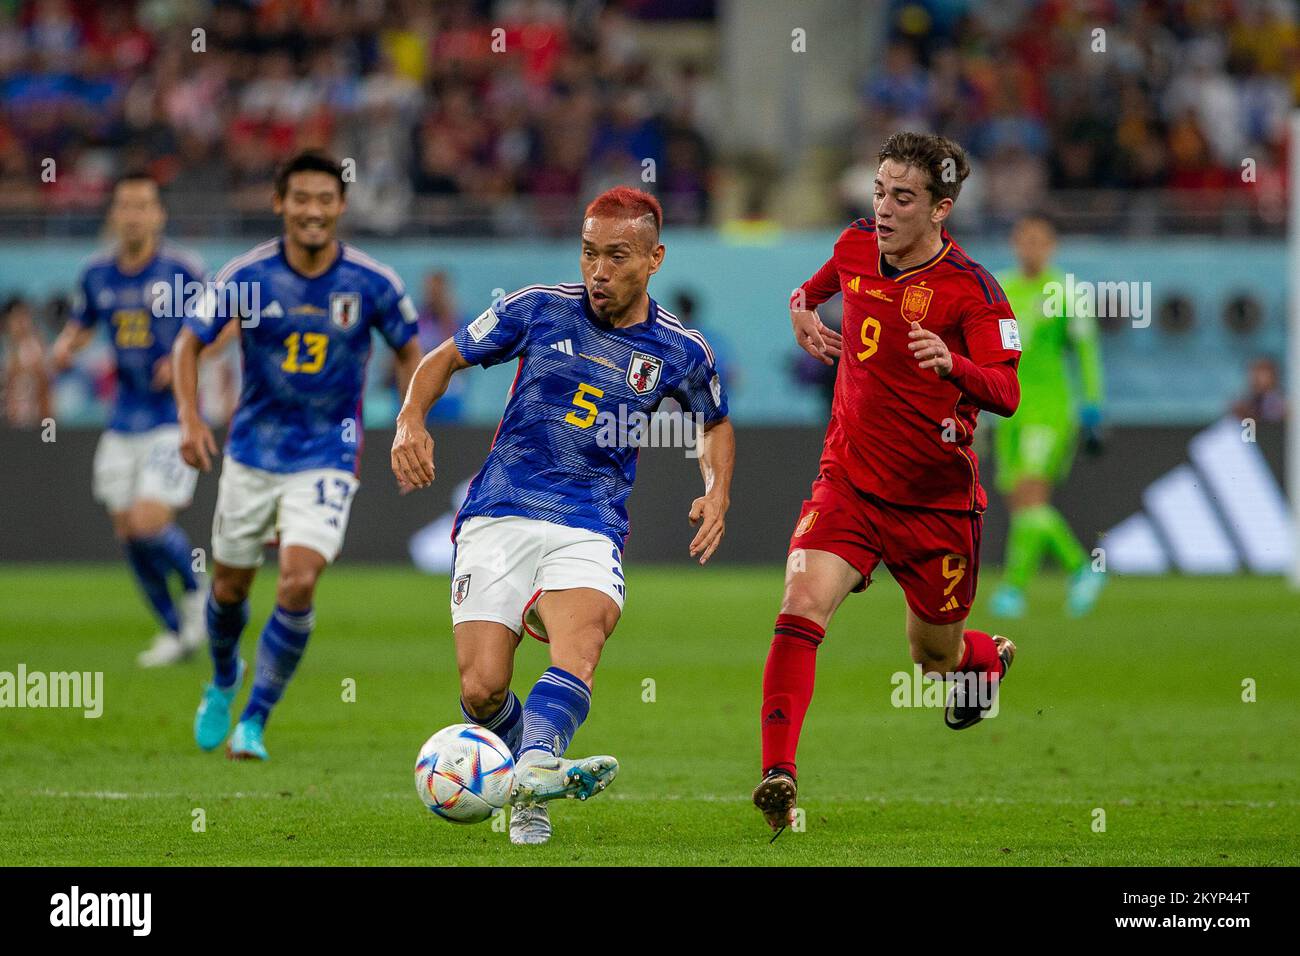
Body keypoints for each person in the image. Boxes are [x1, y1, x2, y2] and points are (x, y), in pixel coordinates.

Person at [391, 186, 734, 846]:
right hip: (499, 512)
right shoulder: (537, 308)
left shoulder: (680, 350)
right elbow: (445, 358)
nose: (598, 270)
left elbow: (714, 423)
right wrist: (410, 420)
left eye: (617, 255)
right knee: (483, 687)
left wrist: (716, 489)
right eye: (588, 253)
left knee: (582, 642)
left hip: (590, 520)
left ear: (654, 258)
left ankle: (535, 776)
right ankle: (530, 762)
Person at [754, 132, 1022, 833]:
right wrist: (802, 313)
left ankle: (982, 658)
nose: (884, 209)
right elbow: (808, 290)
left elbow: (1007, 390)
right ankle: (778, 773)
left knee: (933, 655)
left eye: (902, 198)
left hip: (936, 502)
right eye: (879, 192)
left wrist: (956, 367)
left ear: (941, 209)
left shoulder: (974, 292)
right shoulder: (852, 248)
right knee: (801, 602)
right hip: (848, 481)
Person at [174, 151, 423, 760]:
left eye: (324, 199)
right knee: (230, 586)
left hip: (328, 451)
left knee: (299, 577)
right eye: (301, 198)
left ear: (341, 206)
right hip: (252, 452)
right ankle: (224, 676)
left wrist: (409, 421)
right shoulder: (246, 277)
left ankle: (254, 719)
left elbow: (412, 351)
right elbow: (188, 344)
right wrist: (187, 417)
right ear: (280, 203)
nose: (313, 210)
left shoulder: (373, 283)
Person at [49, 172, 208, 667]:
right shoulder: (97, 274)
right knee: (127, 531)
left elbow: (216, 330)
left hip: (171, 417)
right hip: (122, 419)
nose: (134, 214)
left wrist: (183, 359)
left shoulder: (183, 270)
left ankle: (198, 591)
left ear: (159, 215)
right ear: (114, 214)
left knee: (147, 520)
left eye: (144, 205)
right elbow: (84, 321)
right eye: (126, 205)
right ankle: (174, 631)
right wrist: (66, 345)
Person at [989, 212, 1106, 618]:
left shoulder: (1066, 291)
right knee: (1021, 506)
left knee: (1031, 495)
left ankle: (1013, 589)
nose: (1031, 248)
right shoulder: (1000, 288)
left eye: (1039, 240)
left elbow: (1087, 351)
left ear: (1051, 246)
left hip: (1050, 409)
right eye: (1025, 239)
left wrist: (1092, 404)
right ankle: (1080, 570)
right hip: (1006, 411)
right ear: (1015, 243)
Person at [2, 297, 52, 427]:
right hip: (11, 418)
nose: (21, 324)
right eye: (17, 319)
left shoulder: (36, 345)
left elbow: (44, 385)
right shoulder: (7, 345)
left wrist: (48, 422)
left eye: (24, 318)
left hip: (33, 417)